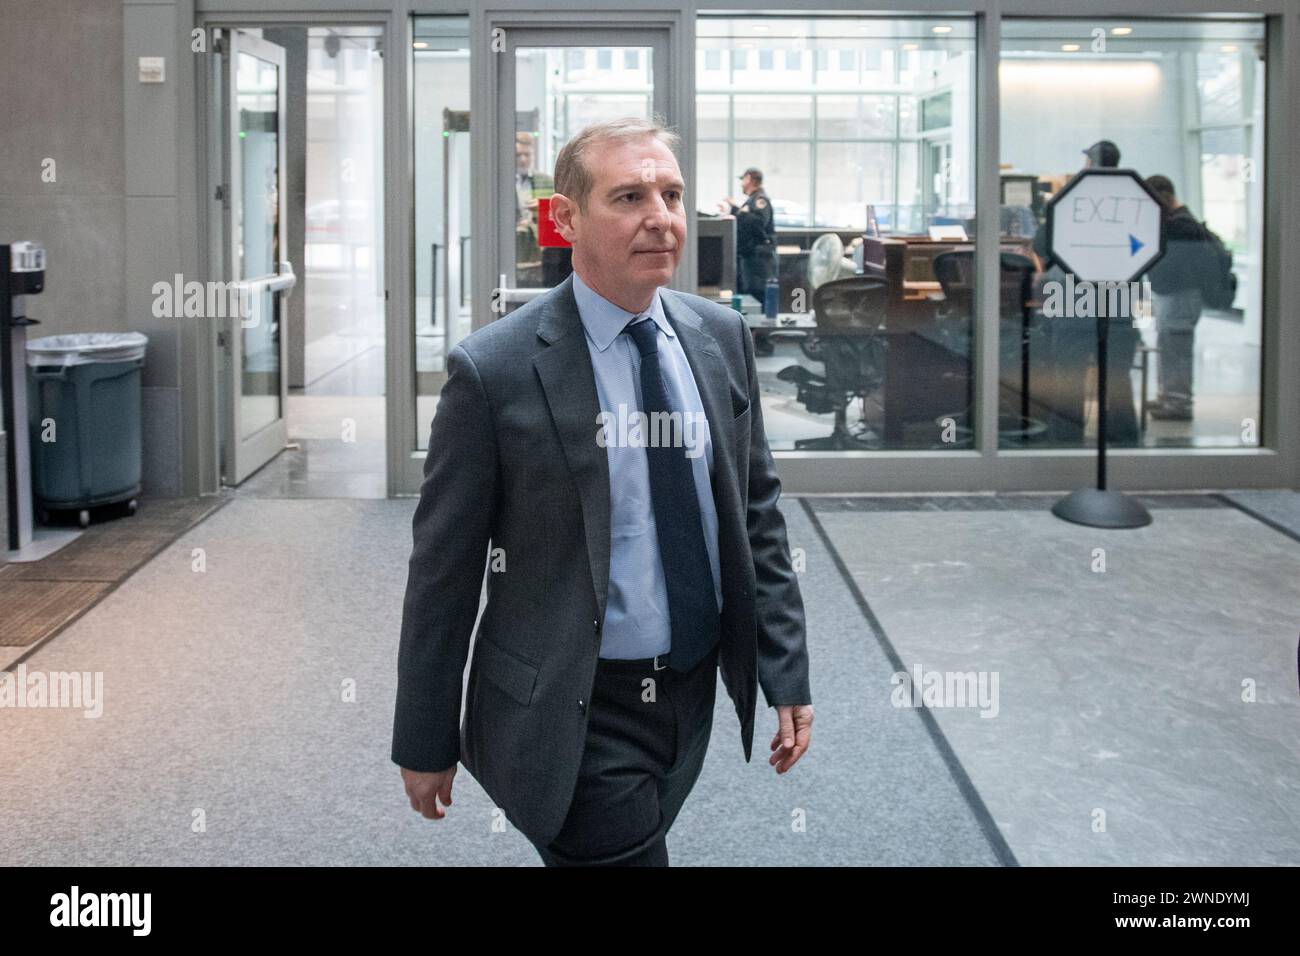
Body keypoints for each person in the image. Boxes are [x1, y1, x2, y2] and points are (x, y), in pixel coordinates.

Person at [392, 116, 814, 867]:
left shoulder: (719, 337)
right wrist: (425, 735)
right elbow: (443, 571)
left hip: (689, 692)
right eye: (627, 196)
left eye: (672, 193)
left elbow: (755, 514)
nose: (660, 217)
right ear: (564, 219)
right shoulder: (494, 371)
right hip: (572, 708)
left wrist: (784, 670)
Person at [1032, 138, 1140, 445]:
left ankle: (1067, 439)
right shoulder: (1133, 199)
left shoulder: (1071, 199)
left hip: (1071, 299)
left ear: (1090, 163)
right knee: (1117, 378)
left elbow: (1042, 245)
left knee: (1068, 377)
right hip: (1117, 297)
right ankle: (1123, 440)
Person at [1143, 175, 1204, 422]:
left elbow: (1174, 264)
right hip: (1173, 296)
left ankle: (1178, 402)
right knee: (1168, 346)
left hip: (1180, 296)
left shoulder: (1182, 226)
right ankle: (1168, 396)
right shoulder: (1179, 223)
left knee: (1176, 348)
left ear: (1164, 197)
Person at [718, 167, 777, 300]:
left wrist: (737, 209)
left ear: (749, 178)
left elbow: (758, 222)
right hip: (750, 257)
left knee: (757, 294)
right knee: (748, 292)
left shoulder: (760, 200)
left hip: (758, 259)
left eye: (743, 179)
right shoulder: (751, 200)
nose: (741, 184)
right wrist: (734, 210)